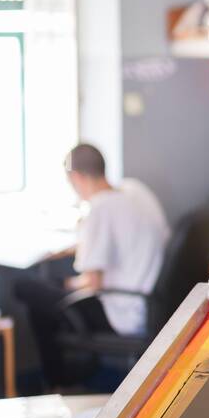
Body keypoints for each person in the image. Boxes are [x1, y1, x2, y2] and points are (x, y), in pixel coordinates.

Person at [14, 144, 170, 389]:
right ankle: (76, 373)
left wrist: (64, 284)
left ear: (76, 178)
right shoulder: (135, 190)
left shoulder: (99, 209)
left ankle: (58, 382)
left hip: (122, 313)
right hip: (150, 302)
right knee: (50, 288)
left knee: (27, 289)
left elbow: (90, 283)